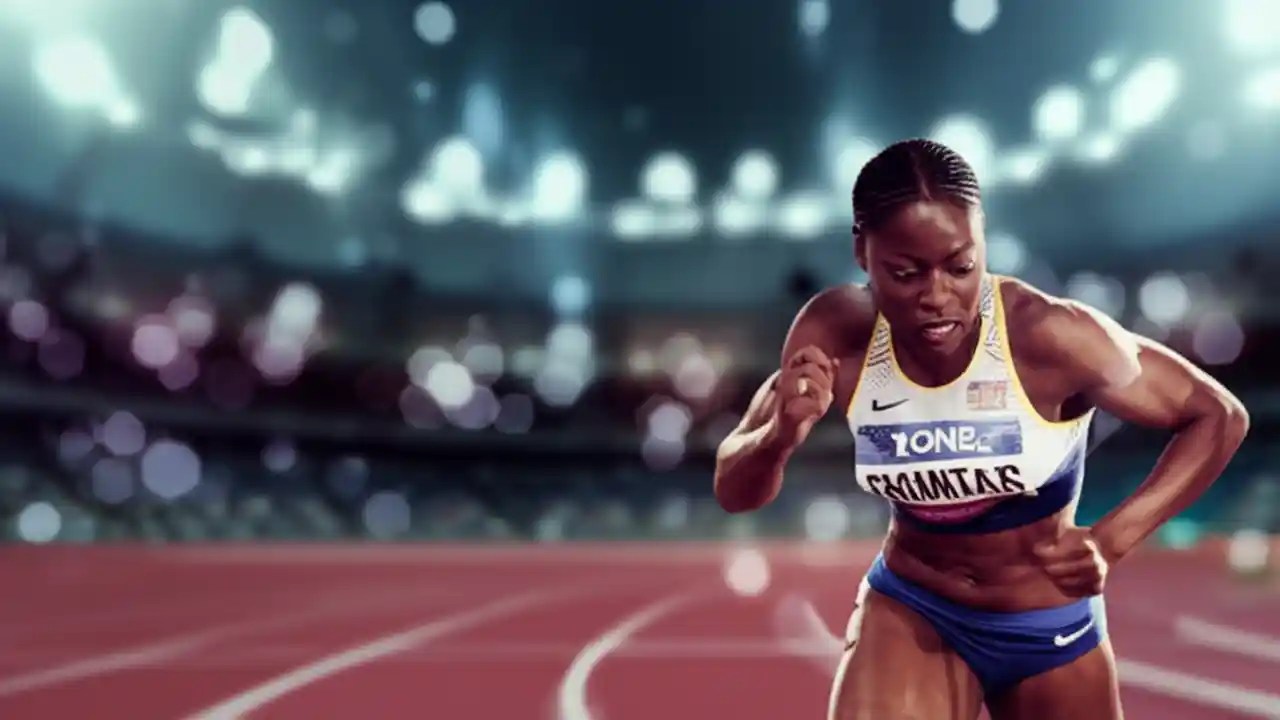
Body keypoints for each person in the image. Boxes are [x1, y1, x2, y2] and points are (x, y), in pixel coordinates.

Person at [713, 138, 1250, 720]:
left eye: (961, 265)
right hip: (916, 607)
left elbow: (1217, 415)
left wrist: (1113, 539)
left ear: (983, 242)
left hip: (1047, 626)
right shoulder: (835, 334)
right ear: (862, 252)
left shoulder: (1049, 336)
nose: (938, 296)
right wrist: (780, 437)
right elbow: (735, 489)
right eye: (906, 273)